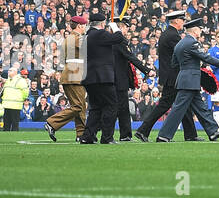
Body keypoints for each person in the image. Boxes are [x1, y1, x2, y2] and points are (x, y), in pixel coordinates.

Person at [156, 19, 219, 143]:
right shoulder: (192, 43)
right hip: (190, 80)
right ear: (195, 31)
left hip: (186, 79)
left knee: (201, 108)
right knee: (178, 109)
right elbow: (206, 57)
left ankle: (213, 131)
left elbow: (174, 63)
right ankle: (164, 135)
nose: (200, 31)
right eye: (199, 29)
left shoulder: (180, 43)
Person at [134, 11, 196, 142]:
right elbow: (183, 53)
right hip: (173, 77)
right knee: (166, 105)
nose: (183, 22)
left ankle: (191, 134)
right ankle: (142, 130)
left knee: (183, 104)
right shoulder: (173, 36)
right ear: (176, 21)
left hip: (170, 76)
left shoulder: (167, 34)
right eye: (182, 20)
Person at [46, 14, 89, 141]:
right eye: (85, 25)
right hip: (74, 75)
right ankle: (52, 123)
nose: (86, 27)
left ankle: (81, 134)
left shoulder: (71, 38)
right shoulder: (75, 38)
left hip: (72, 75)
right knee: (78, 106)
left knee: (80, 105)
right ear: (80, 25)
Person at [79, 12, 120, 144]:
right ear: (102, 24)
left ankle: (88, 136)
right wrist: (115, 27)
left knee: (96, 108)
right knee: (111, 106)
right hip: (102, 77)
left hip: (90, 78)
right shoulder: (100, 34)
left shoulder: (86, 36)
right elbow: (119, 38)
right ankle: (107, 137)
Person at [108, 22, 151, 141]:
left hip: (114, 78)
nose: (127, 30)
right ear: (120, 28)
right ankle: (122, 135)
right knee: (120, 108)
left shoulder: (110, 40)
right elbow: (130, 57)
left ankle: (123, 134)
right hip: (119, 79)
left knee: (120, 108)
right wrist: (146, 70)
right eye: (125, 27)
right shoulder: (119, 41)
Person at [0, 66, 28, 131]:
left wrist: (22, 99)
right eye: (9, 70)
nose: (8, 72)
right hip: (6, 105)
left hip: (15, 105)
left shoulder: (20, 80)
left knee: (15, 123)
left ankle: (14, 137)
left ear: (15, 72)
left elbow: (25, 92)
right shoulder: (8, 80)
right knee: (6, 123)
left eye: (10, 71)